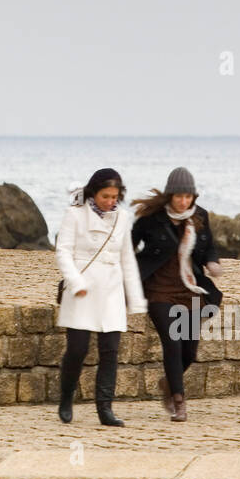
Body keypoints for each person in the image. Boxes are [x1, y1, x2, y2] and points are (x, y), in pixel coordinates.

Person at [54, 168, 147, 426]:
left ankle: (105, 409)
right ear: (93, 192)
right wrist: (75, 281)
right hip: (82, 290)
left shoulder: (122, 218)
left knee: (110, 352)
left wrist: (136, 298)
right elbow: (63, 252)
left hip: (111, 292)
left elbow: (127, 258)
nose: (110, 201)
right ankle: (66, 396)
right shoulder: (75, 215)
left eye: (115, 196)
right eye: (105, 196)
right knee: (77, 349)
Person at [131, 167, 223, 422]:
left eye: (188, 197)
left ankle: (169, 384)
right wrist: (131, 270)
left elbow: (209, 248)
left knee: (189, 352)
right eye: (179, 196)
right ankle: (179, 401)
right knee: (172, 342)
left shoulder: (200, 216)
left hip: (190, 288)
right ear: (170, 195)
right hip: (158, 289)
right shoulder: (152, 217)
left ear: (194, 196)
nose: (183, 202)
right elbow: (129, 244)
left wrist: (213, 263)